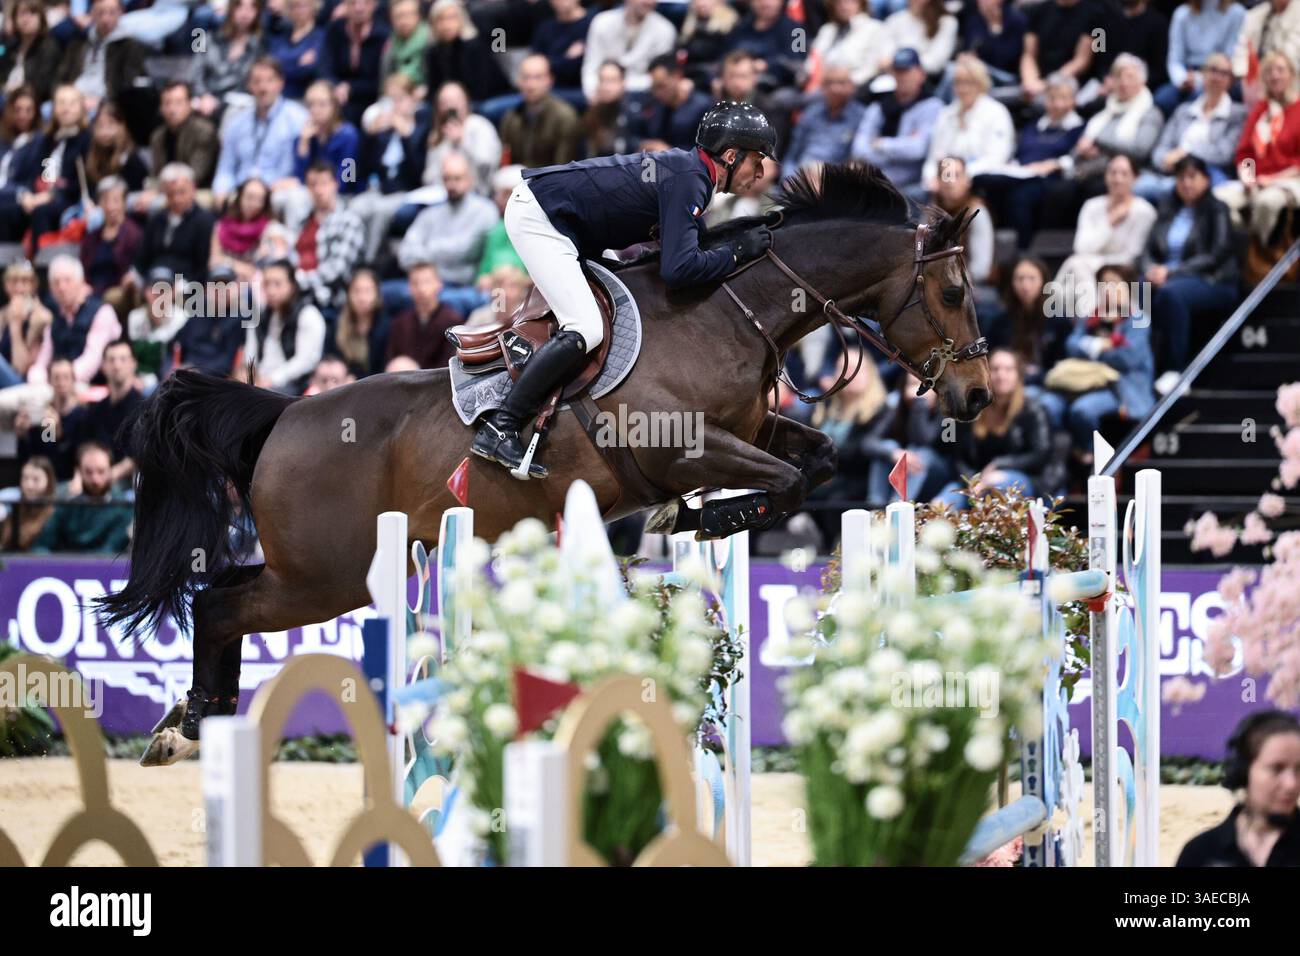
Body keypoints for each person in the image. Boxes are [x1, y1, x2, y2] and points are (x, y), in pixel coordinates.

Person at [472, 101, 777, 478]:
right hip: (542, 217)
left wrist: (739, 243)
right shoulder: (690, 179)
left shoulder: (692, 174)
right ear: (731, 155)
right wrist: (735, 255)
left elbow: (694, 250)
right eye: (757, 160)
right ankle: (501, 425)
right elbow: (679, 268)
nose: (762, 172)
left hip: (574, 224)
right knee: (585, 327)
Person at [1039, 263, 1155, 455]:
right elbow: (1071, 345)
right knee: (1047, 406)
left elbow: (1126, 358)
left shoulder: (1138, 320)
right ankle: (1056, 455)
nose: (1108, 290)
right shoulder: (1091, 318)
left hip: (1120, 387)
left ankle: (1092, 455)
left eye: (1115, 284)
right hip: (1081, 383)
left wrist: (1091, 347)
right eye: (1103, 284)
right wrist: (1099, 345)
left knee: (1082, 411)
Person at [1144, 155, 1239, 389]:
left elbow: (1217, 255)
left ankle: (1175, 370)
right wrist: (1150, 269)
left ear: (1206, 180)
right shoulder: (1167, 209)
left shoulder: (1218, 209)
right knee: (1135, 292)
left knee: (1171, 294)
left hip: (1212, 280)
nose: (1186, 183)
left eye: (1192, 177)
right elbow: (1147, 250)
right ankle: (1140, 367)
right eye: (1181, 178)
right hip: (1168, 278)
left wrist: (1172, 271)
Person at [972, 72, 1084, 248]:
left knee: (1020, 197)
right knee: (982, 181)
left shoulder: (1078, 128)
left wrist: (1056, 164)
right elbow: (1020, 153)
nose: (1057, 103)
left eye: (1063, 98)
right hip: (1021, 172)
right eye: (1052, 97)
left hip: (1050, 178)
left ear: (1074, 100)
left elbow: (1078, 159)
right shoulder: (1034, 125)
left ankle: (1023, 249)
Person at [932, 347, 1053, 506]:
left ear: (1018, 375)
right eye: (995, 369)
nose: (1001, 375)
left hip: (1019, 480)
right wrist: (972, 481)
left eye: (1008, 369)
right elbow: (958, 457)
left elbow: (1040, 454)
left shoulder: (1033, 410)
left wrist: (1000, 465)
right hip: (974, 482)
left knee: (998, 483)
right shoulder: (971, 409)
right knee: (940, 504)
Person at [1177, 710, 1300, 867]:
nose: (1291, 784)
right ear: (1244, 771)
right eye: (1276, 769)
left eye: (1299, 769)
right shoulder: (1201, 853)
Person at [1055, 154, 1158, 316]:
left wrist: (1097, 265)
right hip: (1088, 268)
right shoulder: (1092, 206)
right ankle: (1088, 318)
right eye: (1113, 173)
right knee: (1076, 266)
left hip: (1122, 272)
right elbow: (1081, 247)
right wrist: (1109, 223)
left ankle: (1079, 320)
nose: (1117, 179)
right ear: (1105, 176)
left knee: (1075, 266)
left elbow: (1132, 256)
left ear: (1135, 178)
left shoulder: (1144, 212)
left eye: (1124, 174)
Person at [1215, 51, 1300, 246]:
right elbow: (1245, 152)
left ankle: (1260, 253)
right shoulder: (1260, 110)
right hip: (1257, 180)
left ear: (1292, 75)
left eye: (1280, 70)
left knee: (1266, 203)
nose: (1275, 75)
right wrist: (1247, 177)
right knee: (1218, 201)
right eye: (1269, 71)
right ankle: (1239, 250)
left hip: (1290, 180)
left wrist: (1274, 180)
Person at [1138, 52, 1246, 203]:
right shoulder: (1183, 110)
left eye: (1224, 73)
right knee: (1139, 187)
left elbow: (1224, 154)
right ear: (1202, 74)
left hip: (1209, 174)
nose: (1217, 77)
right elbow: (1161, 148)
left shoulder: (1238, 114)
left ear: (1230, 80)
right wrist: (1165, 160)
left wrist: (1185, 154)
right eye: (1213, 70)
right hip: (1171, 173)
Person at [850, 48, 943, 191]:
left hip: (910, 185)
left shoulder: (932, 106)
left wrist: (881, 144)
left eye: (907, 71)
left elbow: (918, 149)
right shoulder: (879, 104)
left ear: (921, 74)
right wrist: (898, 149)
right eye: (898, 71)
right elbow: (859, 148)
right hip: (874, 180)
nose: (902, 76)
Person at [983, 256, 1072, 390]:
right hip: (1005, 382)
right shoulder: (999, 320)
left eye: (1031, 278)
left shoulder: (1058, 319)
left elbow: (1064, 362)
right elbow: (991, 355)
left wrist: (1040, 376)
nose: (1025, 285)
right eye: (1020, 279)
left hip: (1048, 384)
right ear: (1012, 282)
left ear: (1043, 281)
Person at [28, 441, 132, 554]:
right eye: (88, 472)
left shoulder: (124, 508)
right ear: (79, 472)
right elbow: (41, 546)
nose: (95, 480)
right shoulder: (66, 506)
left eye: (101, 471)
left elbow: (109, 551)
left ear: (110, 470)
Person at [246, 259, 327, 394]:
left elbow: (305, 361)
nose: (271, 290)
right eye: (266, 284)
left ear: (292, 285)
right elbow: (250, 355)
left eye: (277, 284)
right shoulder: (259, 316)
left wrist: (273, 379)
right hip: (260, 383)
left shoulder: (308, 315)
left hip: (293, 386)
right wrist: (250, 379)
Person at [1159, 0, 1246, 116]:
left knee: (1195, 99)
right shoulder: (1182, 13)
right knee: (1162, 100)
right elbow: (1175, 58)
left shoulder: (1237, 13)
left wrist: (1200, 78)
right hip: (1187, 72)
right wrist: (1182, 78)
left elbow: (1229, 56)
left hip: (1218, 72)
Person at [581, 0, 678, 102]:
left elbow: (658, 78)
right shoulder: (601, 22)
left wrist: (620, 87)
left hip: (642, 95)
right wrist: (592, 92)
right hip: (600, 92)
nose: (649, 2)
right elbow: (591, 65)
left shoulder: (665, 30)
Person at [500, 54, 584, 165]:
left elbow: (564, 168)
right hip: (518, 178)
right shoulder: (511, 117)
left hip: (551, 179)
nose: (531, 85)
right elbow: (505, 161)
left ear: (550, 80)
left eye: (538, 77)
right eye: (526, 77)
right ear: (519, 81)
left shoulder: (565, 117)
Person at [191, 0, 264, 120]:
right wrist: (204, 95)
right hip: (205, 99)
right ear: (231, 9)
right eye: (240, 6)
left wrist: (219, 102)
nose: (245, 12)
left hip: (236, 106)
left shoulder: (259, 47)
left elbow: (251, 84)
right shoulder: (206, 37)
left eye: (252, 7)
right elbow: (195, 73)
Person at [320, 0, 390, 126]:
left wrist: (350, 88)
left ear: (374, 6)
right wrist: (335, 86)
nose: (359, 8)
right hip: (336, 96)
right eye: (353, 3)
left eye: (365, 3)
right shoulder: (335, 30)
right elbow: (324, 66)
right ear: (345, 5)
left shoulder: (383, 35)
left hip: (369, 99)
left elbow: (381, 79)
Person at [783, 66, 865, 170]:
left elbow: (857, 158)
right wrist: (788, 178)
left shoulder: (861, 117)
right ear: (822, 87)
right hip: (801, 172)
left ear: (852, 87)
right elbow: (792, 155)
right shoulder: (811, 113)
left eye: (841, 83)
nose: (835, 88)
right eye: (829, 83)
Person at [147, 81, 220, 199]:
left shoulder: (204, 131)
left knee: (155, 205)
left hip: (198, 191)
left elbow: (195, 176)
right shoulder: (158, 136)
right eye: (167, 103)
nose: (172, 109)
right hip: (166, 192)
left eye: (178, 103)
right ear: (161, 108)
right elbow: (155, 175)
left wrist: (159, 191)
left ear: (189, 104)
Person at [629, 53, 715, 152]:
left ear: (677, 76)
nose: (657, 93)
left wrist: (669, 151)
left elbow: (707, 152)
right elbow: (636, 135)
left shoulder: (703, 107)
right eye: (654, 87)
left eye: (661, 86)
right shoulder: (656, 106)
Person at [385, 262, 461, 369]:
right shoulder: (400, 323)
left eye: (427, 282)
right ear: (409, 287)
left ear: (439, 284)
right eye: (415, 283)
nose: (421, 288)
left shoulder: (452, 321)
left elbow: (451, 364)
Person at [808, 0, 890, 89]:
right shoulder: (827, 30)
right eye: (839, 2)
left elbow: (871, 67)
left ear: (861, 4)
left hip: (857, 87)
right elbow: (813, 60)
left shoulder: (874, 28)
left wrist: (845, 83)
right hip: (823, 85)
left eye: (850, 1)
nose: (844, 6)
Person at [0, 0, 63, 105]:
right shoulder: (10, 46)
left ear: (41, 18)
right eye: (22, 14)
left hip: (32, 101)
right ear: (15, 19)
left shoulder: (49, 46)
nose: (26, 19)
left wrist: (16, 90)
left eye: (32, 13)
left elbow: (42, 86)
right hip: (5, 96)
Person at [209, 177, 271, 282]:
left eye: (260, 200)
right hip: (222, 280)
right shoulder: (221, 226)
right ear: (240, 196)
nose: (254, 204)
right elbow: (213, 261)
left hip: (252, 286)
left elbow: (258, 270)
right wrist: (239, 266)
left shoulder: (269, 229)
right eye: (250, 197)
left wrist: (226, 261)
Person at [333, 268, 390, 378]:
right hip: (343, 386)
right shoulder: (338, 323)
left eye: (367, 291)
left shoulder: (387, 326)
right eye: (356, 291)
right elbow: (332, 358)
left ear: (377, 294)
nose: (362, 298)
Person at [267, 0, 327, 101]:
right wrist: (297, 62)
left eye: (304, 6)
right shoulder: (281, 36)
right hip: (277, 97)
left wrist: (282, 65)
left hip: (303, 97)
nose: (299, 10)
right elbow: (271, 66)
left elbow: (307, 70)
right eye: (294, 6)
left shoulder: (320, 37)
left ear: (314, 8)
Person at [884, 0, 959, 78]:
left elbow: (936, 61)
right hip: (895, 75)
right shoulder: (893, 20)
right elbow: (885, 56)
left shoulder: (947, 22)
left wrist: (908, 66)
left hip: (929, 78)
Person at [0, 456, 56, 552]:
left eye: (36, 480)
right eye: (25, 478)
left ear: (48, 481)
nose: (29, 485)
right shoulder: (13, 505)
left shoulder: (55, 511)